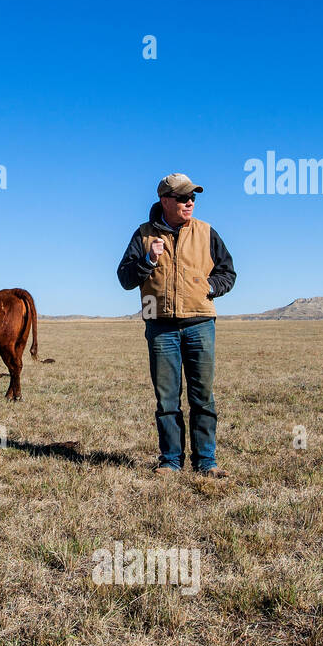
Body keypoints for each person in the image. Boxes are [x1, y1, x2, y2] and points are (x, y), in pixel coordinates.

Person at [117, 174, 236, 477]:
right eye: (183, 198)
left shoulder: (206, 233)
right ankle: (170, 461)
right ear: (165, 201)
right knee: (167, 399)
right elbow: (125, 279)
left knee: (202, 396)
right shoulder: (143, 235)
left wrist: (209, 287)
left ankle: (206, 462)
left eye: (193, 197)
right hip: (160, 327)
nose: (190, 202)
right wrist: (148, 259)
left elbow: (228, 272)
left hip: (200, 324)